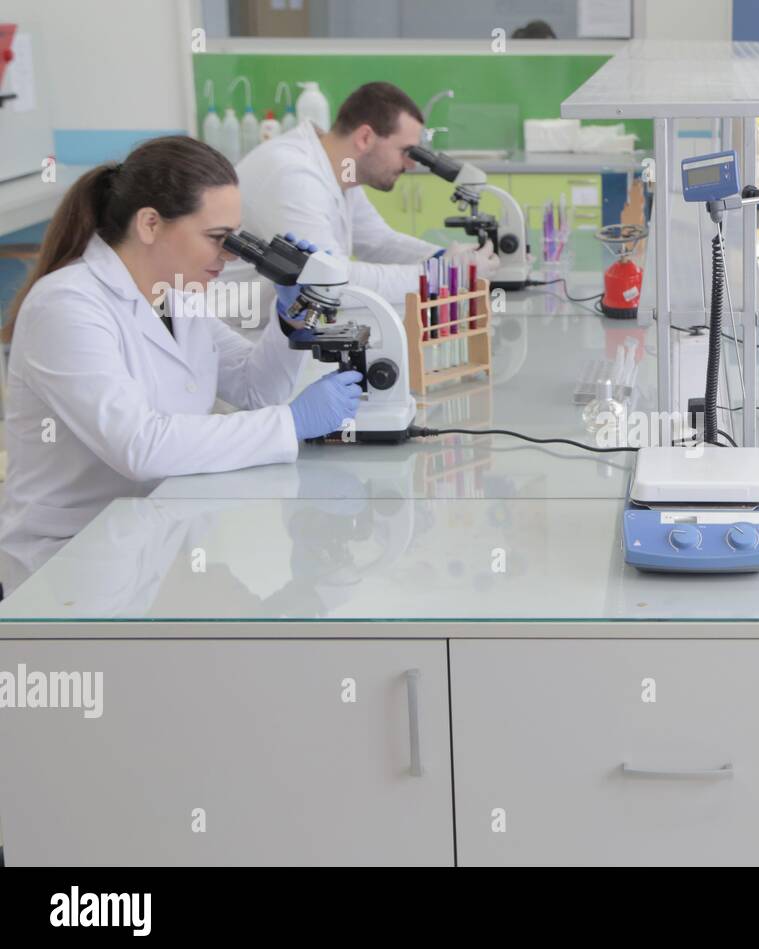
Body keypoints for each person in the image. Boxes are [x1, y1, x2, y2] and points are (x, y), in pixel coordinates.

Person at [0, 136, 363, 594]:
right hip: (68, 566)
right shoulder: (68, 305)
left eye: (235, 238)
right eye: (217, 238)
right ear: (150, 223)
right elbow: (139, 446)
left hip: (154, 545)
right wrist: (291, 423)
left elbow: (254, 390)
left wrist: (289, 324)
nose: (231, 255)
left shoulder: (177, 298)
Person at [231, 81, 496, 308]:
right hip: (243, 335)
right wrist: (444, 275)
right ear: (365, 137)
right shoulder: (292, 175)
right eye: (406, 151)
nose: (411, 164)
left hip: (289, 329)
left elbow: (377, 241)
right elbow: (329, 283)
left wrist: (450, 259)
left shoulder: (340, 169)